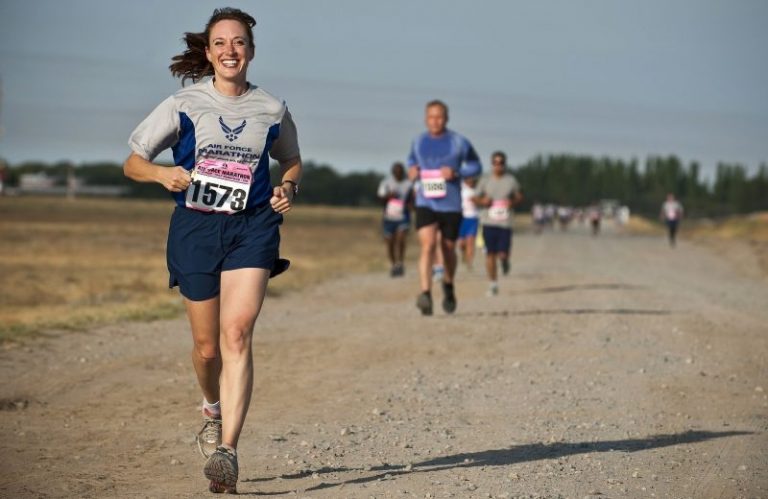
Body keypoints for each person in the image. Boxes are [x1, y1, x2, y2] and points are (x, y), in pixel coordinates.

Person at [123, 8, 302, 494]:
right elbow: (133, 162)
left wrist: (288, 186)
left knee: (237, 334)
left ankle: (228, 450)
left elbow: (291, 159)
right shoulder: (183, 103)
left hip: (253, 227)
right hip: (196, 229)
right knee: (207, 349)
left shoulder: (272, 107)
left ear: (251, 50)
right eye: (221, 43)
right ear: (208, 52)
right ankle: (212, 407)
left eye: (239, 42)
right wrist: (162, 174)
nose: (230, 51)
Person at [407, 100, 482, 315]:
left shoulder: (459, 142)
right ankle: (425, 294)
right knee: (428, 245)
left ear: (446, 119)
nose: (435, 121)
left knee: (448, 248)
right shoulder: (419, 141)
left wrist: (457, 172)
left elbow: (476, 165)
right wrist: (412, 170)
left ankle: (448, 285)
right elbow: (411, 162)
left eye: (439, 117)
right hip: (425, 201)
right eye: (431, 117)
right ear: (425, 119)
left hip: (450, 204)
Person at [474, 151, 522, 296]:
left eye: (501, 163)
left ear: (505, 164)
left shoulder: (511, 180)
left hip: (505, 223)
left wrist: (512, 202)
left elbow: (519, 196)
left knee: (502, 253)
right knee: (490, 254)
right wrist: (483, 201)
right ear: (491, 164)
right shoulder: (485, 180)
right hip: (488, 221)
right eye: (495, 162)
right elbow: (474, 197)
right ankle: (493, 284)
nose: (498, 165)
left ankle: (505, 261)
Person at [377, 161, 412, 277]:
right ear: (392, 172)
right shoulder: (385, 183)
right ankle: (393, 265)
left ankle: (400, 262)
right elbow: (379, 198)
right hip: (389, 217)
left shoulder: (408, 183)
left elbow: (413, 198)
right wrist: (388, 196)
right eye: (396, 171)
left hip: (403, 216)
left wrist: (410, 205)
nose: (398, 173)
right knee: (390, 242)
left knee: (401, 239)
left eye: (400, 171)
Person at [457, 176, 480, 271]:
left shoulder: (478, 189)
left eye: (472, 179)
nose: (471, 181)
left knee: (471, 241)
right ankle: (463, 253)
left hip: (473, 218)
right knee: (461, 243)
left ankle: (470, 262)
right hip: (461, 218)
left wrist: (478, 201)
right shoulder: (460, 186)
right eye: (468, 178)